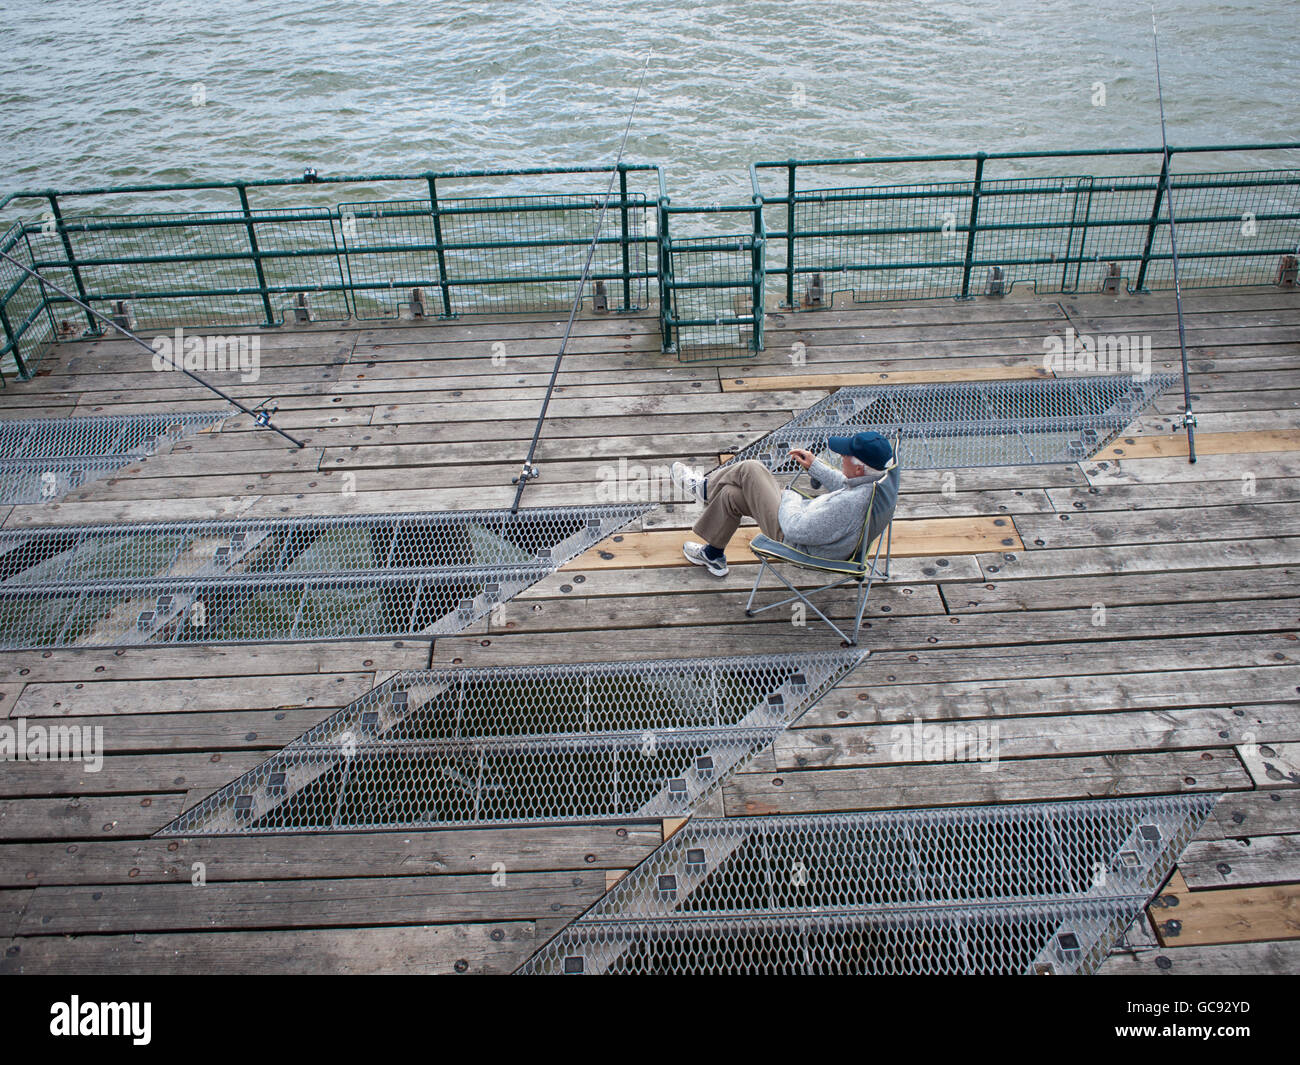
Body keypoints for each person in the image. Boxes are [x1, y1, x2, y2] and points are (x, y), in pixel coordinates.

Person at [671, 430, 898, 578]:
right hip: (816, 529)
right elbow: (846, 484)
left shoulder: (850, 504)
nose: (841, 457)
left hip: (797, 543)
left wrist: (789, 496)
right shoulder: (878, 481)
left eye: (845, 456)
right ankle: (713, 555)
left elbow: (796, 529)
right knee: (731, 493)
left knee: (751, 469)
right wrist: (815, 466)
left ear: (859, 468)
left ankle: (703, 488)